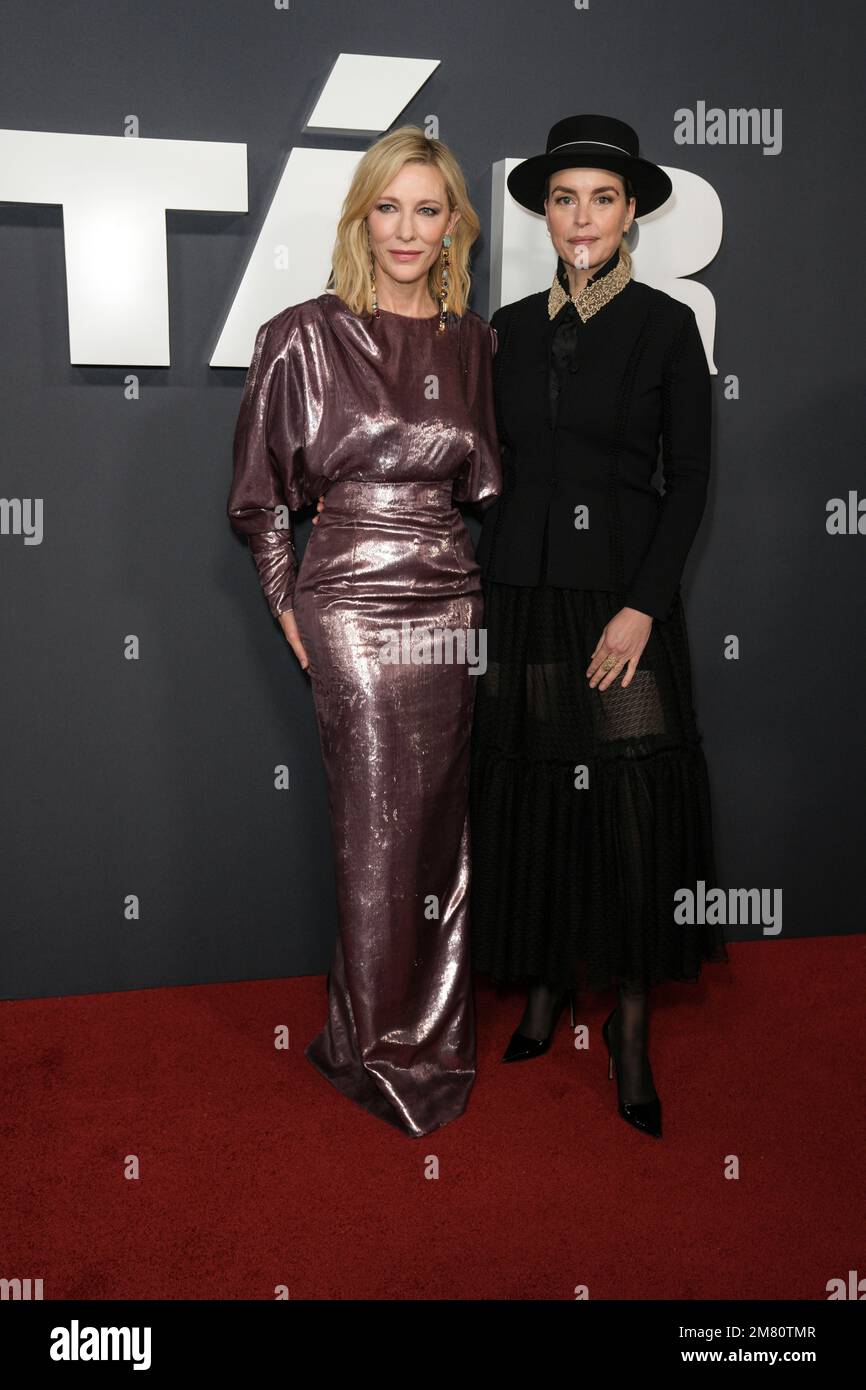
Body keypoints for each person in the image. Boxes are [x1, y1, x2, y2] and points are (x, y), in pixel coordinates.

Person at [227, 126, 501, 1138]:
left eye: (427, 209)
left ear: (452, 227)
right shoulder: (303, 333)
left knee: (438, 827)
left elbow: (480, 485)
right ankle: (376, 1048)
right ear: (360, 215)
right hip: (346, 599)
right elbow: (260, 500)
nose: (406, 228)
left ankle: (428, 1032)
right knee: (376, 831)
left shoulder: (472, 341)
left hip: (449, 599)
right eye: (388, 206)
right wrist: (287, 603)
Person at [470, 114, 728, 1139]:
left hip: (622, 599)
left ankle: (625, 1027)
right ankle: (540, 987)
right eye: (564, 197)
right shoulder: (504, 327)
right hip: (523, 594)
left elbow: (691, 478)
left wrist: (640, 605)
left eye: (602, 198)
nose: (581, 215)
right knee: (534, 788)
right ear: (543, 210)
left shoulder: (665, 326)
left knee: (624, 810)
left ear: (631, 214)